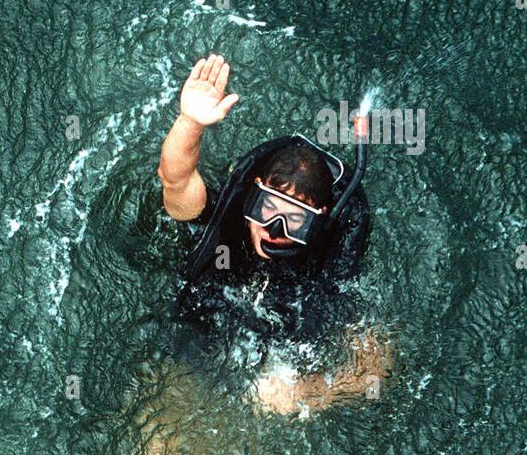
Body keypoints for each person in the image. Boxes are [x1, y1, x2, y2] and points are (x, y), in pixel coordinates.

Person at [155, 54, 390, 414]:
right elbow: (175, 181)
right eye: (268, 208)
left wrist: (305, 393)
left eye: (294, 221)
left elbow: (376, 365)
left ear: (318, 220)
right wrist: (190, 122)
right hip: (194, 341)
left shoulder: (332, 253)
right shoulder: (230, 212)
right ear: (256, 192)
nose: (274, 229)